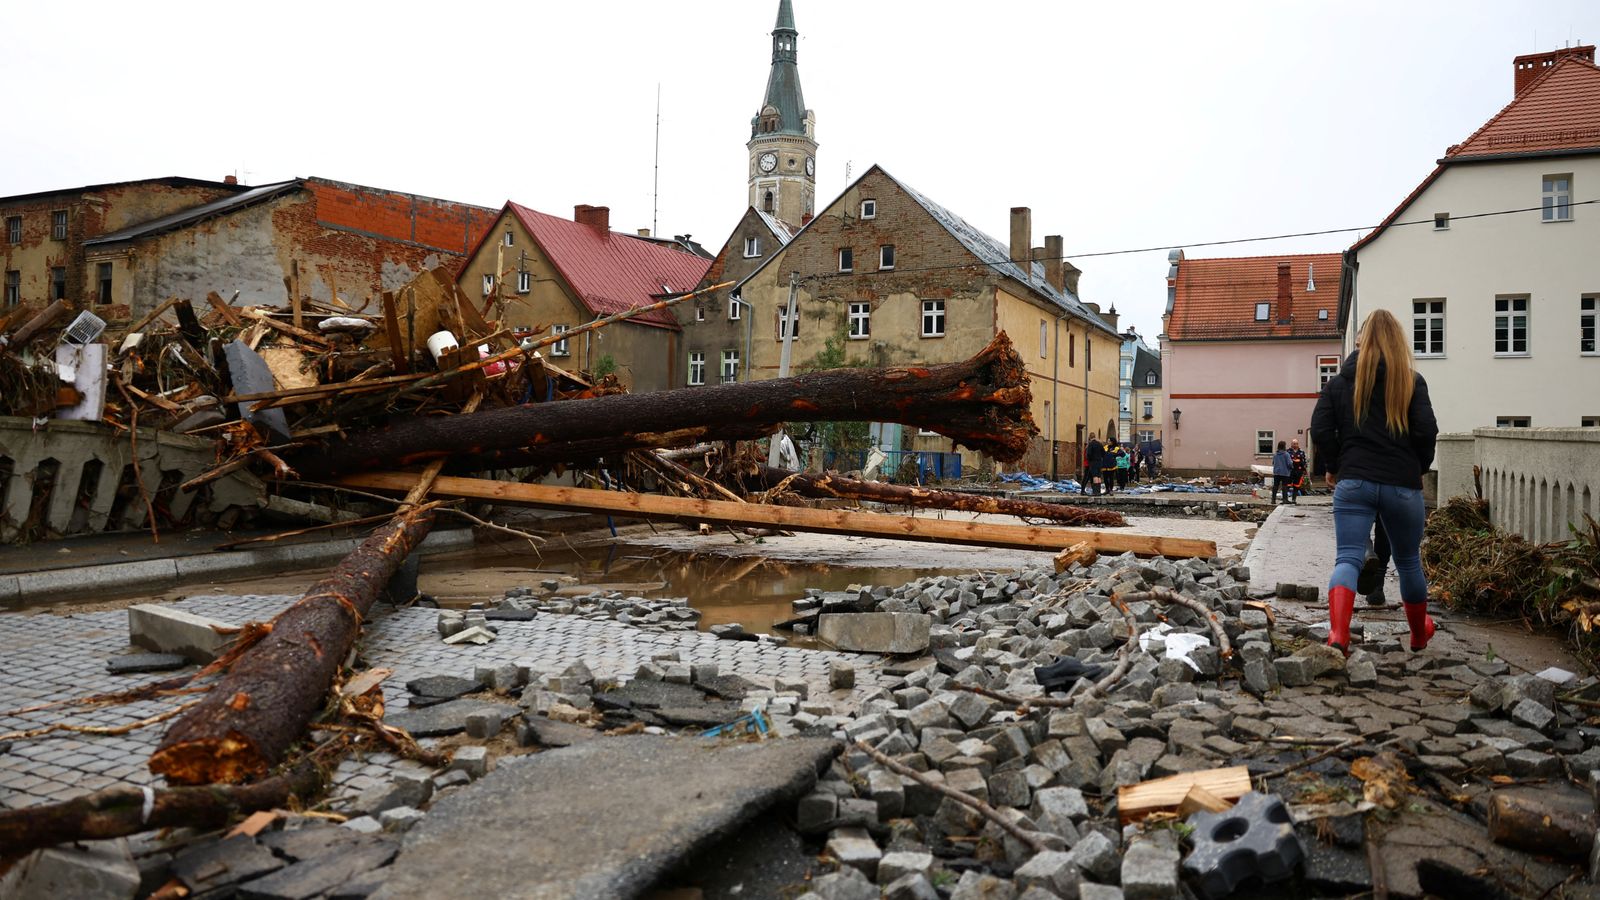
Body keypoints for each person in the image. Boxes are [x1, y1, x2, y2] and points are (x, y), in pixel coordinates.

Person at [1310, 309, 1440, 655]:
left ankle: (1338, 634)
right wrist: (1419, 468)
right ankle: (1417, 635)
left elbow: (1320, 428)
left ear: (1361, 342)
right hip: (1402, 484)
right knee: (1409, 560)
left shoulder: (1340, 382)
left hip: (1354, 481)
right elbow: (1427, 431)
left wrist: (1336, 464)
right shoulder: (1412, 381)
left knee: (1348, 558)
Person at [1271, 440, 1293, 504]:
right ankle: (1285, 499)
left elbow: (1273, 463)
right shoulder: (1286, 454)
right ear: (1284, 446)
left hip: (1276, 472)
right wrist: (1291, 467)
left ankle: (1273, 500)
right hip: (1285, 473)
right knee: (1284, 486)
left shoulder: (1275, 454)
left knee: (1275, 486)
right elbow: (1289, 463)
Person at [1288, 439, 1308, 504]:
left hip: (1298, 471)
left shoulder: (1301, 452)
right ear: (1291, 444)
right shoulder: (1288, 451)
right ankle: (1285, 499)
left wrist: (1304, 470)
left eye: (1296, 443)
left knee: (1296, 486)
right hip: (1290, 471)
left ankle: (1294, 499)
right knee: (1287, 485)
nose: (1295, 445)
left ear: (1298, 444)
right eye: (1293, 443)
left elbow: (1304, 461)